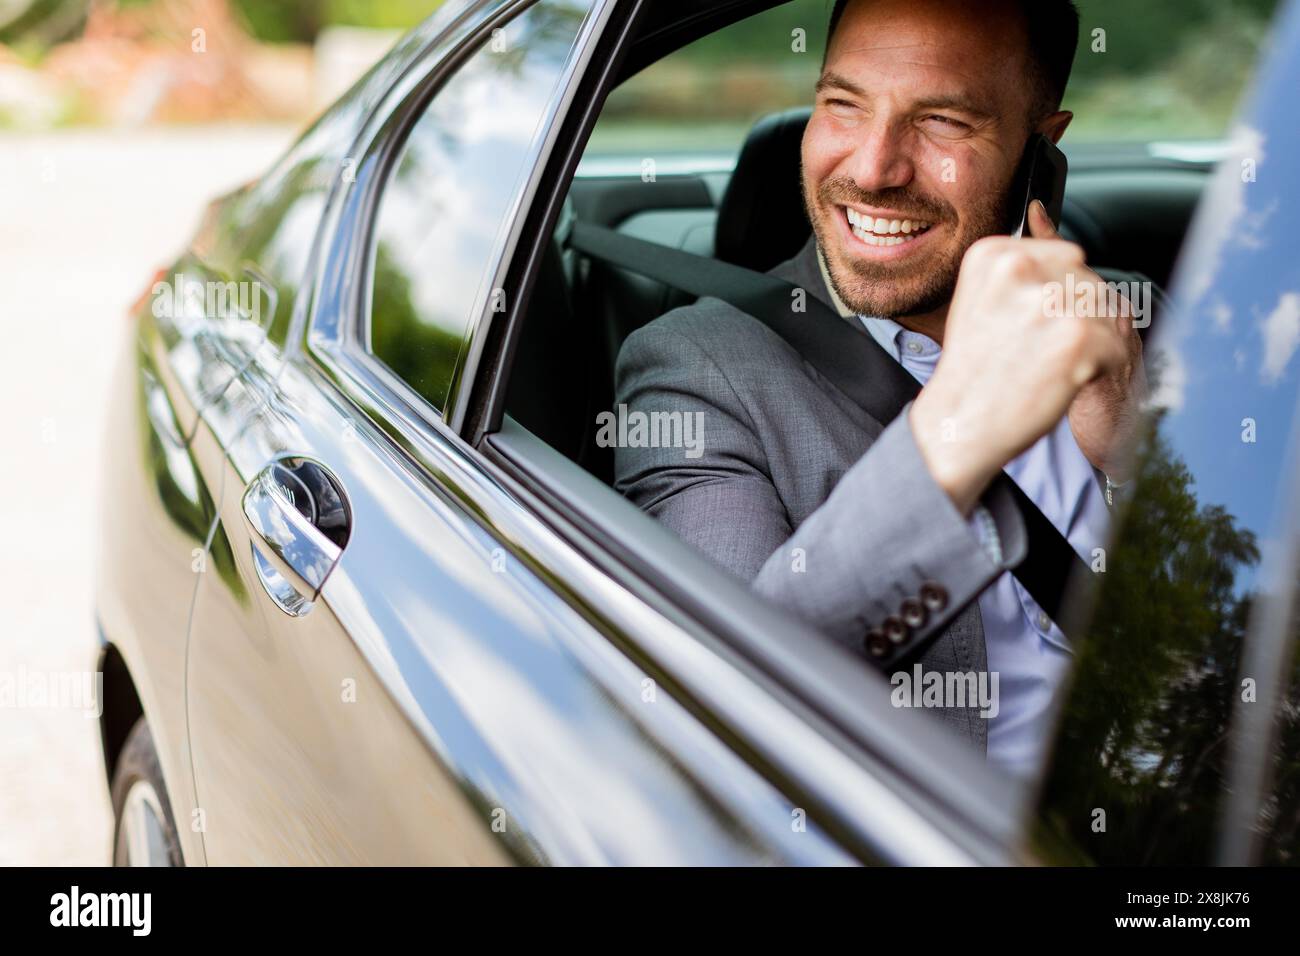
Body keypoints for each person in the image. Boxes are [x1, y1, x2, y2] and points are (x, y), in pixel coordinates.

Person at [613, 0, 1146, 774]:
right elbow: (727, 702)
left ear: (1040, 150)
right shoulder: (697, 369)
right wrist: (955, 433)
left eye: (942, 121)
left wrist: (1135, 455)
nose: (872, 168)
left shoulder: (1129, 324)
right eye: (843, 105)